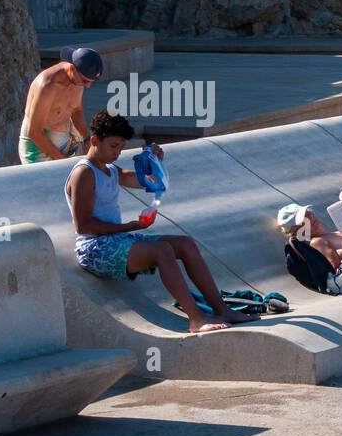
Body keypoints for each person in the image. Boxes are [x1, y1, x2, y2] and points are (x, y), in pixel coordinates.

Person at [64, 111, 257, 334]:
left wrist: (154, 163)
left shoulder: (109, 169)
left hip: (117, 240)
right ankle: (196, 318)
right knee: (162, 251)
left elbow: (146, 180)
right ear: (95, 140)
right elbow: (84, 225)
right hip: (95, 250)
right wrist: (129, 226)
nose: (117, 153)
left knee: (186, 244)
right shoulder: (84, 173)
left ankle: (221, 309)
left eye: (120, 147)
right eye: (113, 146)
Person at [21, 47, 102, 164]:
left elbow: (76, 111)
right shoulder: (47, 86)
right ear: (72, 68)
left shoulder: (77, 79)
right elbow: (33, 132)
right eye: (85, 81)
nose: (88, 86)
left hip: (63, 146)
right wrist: (62, 161)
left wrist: (86, 139)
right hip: (37, 151)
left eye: (91, 81)